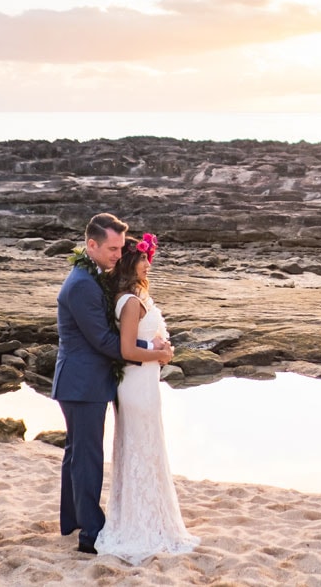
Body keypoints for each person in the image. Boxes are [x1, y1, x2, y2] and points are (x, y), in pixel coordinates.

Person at [53, 213, 173, 555]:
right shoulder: (81, 285)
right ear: (91, 245)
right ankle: (90, 532)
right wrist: (153, 350)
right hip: (82, 382)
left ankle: (73, 520)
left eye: (121, 248)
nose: (119, 255)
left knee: (77, 452)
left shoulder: (91, 277)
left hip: (81, 380)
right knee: (87, 456)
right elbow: (106, 342)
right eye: (113, 248)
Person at [94, 232, 199, 564]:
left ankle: (152, 520)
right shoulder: (129, 302)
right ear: (129, 261)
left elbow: (144, 340)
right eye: (143, 258)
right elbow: (126, 349)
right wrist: (160, 355)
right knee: (140, 449)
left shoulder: (136, 297)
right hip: (137, 385)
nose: (148, 263)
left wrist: (160, 350)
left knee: (148, 451)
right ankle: (139, 527)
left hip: (146, 383)